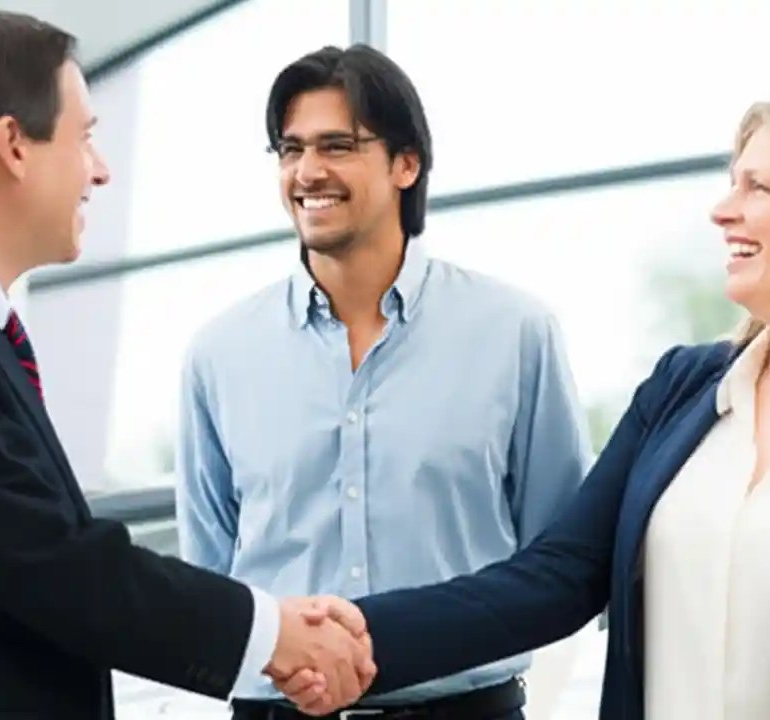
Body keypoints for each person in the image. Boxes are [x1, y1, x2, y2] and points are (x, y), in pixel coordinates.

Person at [278, 91, 770, 719]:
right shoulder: (685, 387)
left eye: (757, 187)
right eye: (731, 180)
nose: (723, 210)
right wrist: (360, 632)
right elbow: (554, 577)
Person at [0, 8, 374, 718]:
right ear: (14, 146)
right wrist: (271, 633)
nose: (99, 169)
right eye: (84, 136)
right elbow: (42, 561)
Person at [175, 43, 591, 720]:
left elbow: (557, 562)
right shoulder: (218, 355)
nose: (308, 171)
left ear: (407, 163)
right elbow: (211, 576)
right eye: (290, 149)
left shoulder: (516, 334)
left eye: (337, 146)